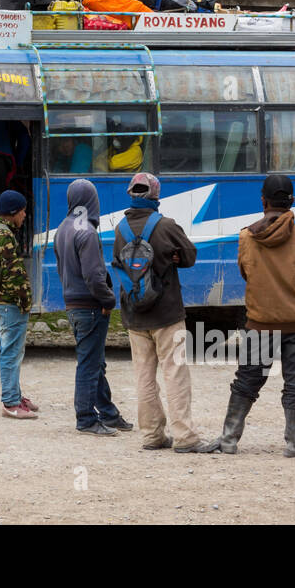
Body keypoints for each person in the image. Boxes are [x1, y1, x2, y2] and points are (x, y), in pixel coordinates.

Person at [214, 174, 295, 458]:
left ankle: (228, 439)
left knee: (247, 380)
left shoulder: (247, 237)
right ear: (292, 202)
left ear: (263, 201)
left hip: (260, 323)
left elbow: (246, 273)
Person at [113, 173, 218, 454]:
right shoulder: (166, 225)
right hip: (167, 313)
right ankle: (184, 437)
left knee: (144, 377)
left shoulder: (120, 228)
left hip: (135, 314)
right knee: (175, 374)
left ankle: (151, 435)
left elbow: (118, 265)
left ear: (131, 194)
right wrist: (173, 257)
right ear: (155, 195)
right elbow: (190, 255)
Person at [55, 178, 132, 436]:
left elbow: (62, 270)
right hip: (90, 307)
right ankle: (86, 419)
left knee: (95, 362)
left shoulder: (63, 229)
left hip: (74, 304)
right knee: (89, 364)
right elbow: (94, 276)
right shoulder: (86, 232)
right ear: (91, 201)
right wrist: (109, 299)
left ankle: (108, 414)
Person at [0, 189, 38, 420]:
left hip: (2, 302)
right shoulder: (5, 238)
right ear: (13, 212)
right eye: (23, 211)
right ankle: (10, 402)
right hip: (10, 304)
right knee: (10, 353)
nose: (25, 215)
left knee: (14, 351)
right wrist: (26, 302)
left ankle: (16, 395)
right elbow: (15, 275)